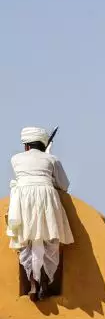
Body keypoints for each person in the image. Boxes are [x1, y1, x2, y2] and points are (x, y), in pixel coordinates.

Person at [6, 127, 73, 301]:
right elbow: (64, 185)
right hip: (46, 199)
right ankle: (44, 282)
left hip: (22, 201)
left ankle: (33, 285)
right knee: (47, 241)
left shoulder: (15, 159)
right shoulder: (51, 158)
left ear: (26, 146)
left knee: (27, 242)